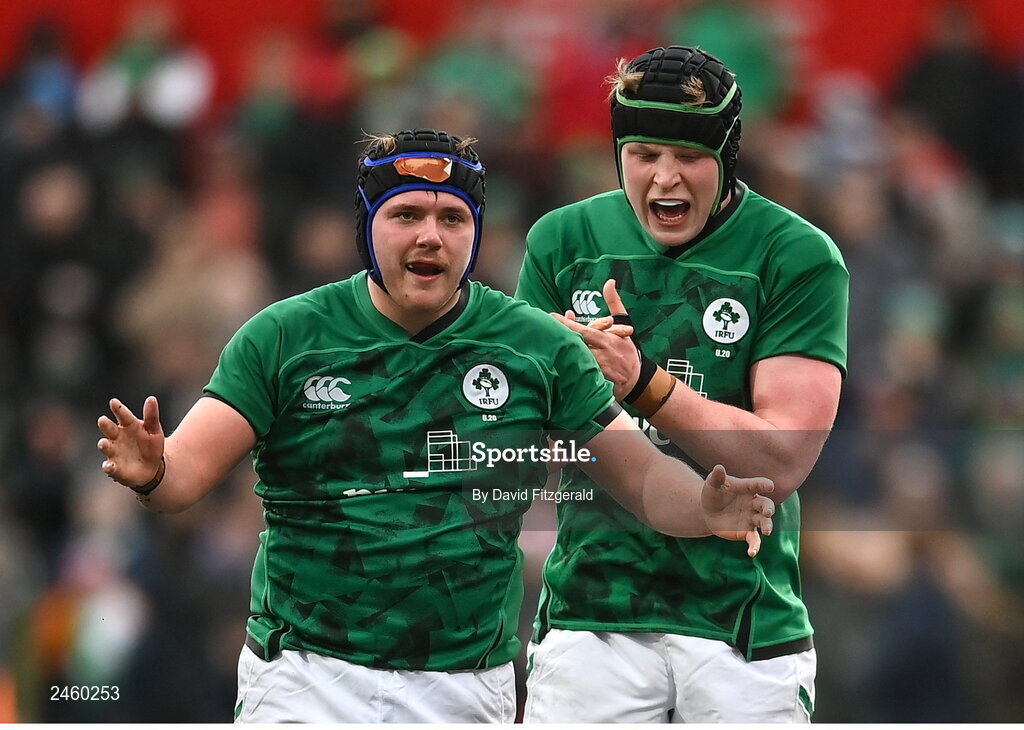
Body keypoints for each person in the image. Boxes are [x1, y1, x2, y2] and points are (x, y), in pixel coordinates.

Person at [97, 127, 778, 723]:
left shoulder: (539, 348)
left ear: (474, 234)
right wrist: (154, 470)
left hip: (464, 688)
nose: (430, 235)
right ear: (367, 227)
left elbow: (644, 481)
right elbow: (185, 476)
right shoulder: (283, 337)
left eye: (453, 217)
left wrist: (705, 506)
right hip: (304, 677)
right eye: (406, 214)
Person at [516, 46, 848, 722]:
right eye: (643, 155)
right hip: (589, 621)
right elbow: (524, 444)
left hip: (743, 625)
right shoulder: (561, 241)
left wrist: (641, 383)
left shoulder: (796, 256)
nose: (664, 178)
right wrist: (552, 387)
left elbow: (783, 460)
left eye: (689, 157)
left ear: (727, 157)